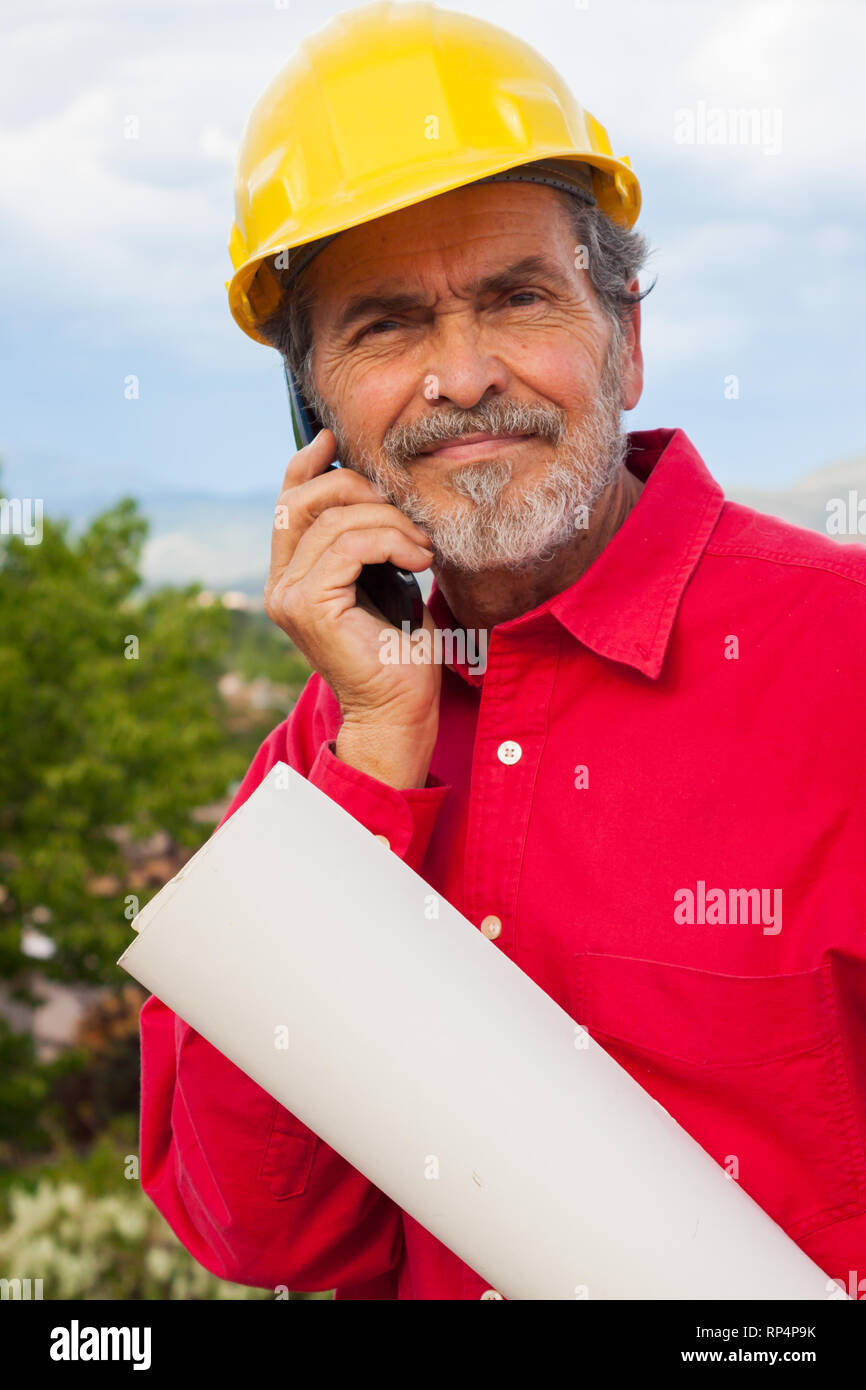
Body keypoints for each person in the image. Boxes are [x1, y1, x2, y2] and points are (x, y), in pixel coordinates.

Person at [139, 1, 866, 1300]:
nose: (461, 375)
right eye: (386, 323)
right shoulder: (326, 750)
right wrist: (373, 759)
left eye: (517, 297)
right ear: (316, 407)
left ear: (626, 342)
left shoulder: (842, 660)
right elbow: (259, 1232)